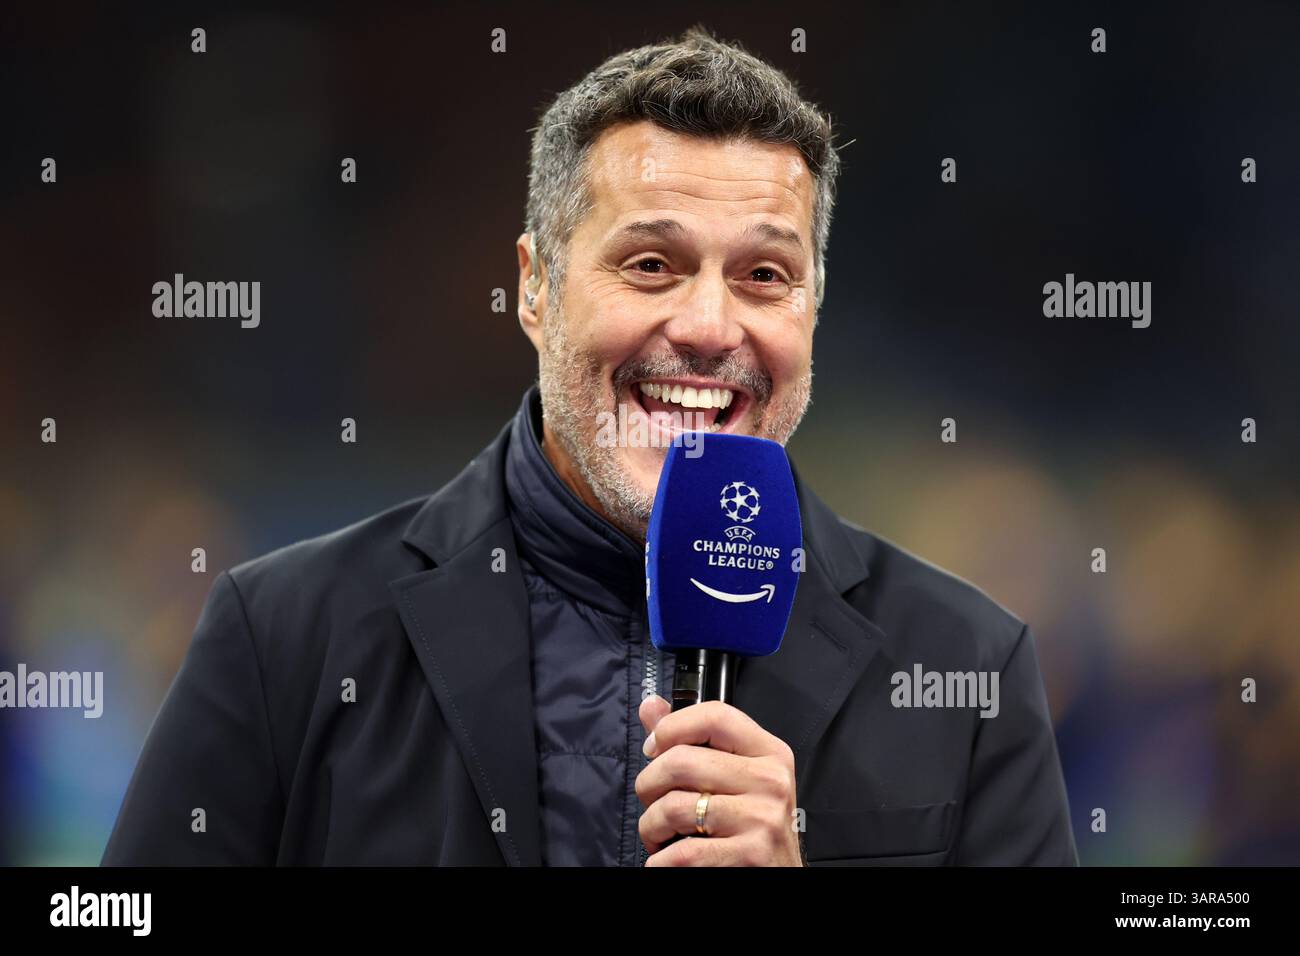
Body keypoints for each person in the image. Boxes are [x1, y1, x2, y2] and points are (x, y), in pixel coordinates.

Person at [102, 25, 1077, 867]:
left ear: (812, 309)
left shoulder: (969, 665)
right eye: (650, 264)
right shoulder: (285, 637)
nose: (707, 324)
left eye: (764, 275)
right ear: (534, 286)